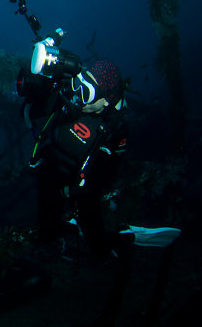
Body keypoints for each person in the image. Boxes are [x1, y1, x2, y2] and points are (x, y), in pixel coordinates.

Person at [18, 58, 179, 257]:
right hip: (53, 170)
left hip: (80, 186)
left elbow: (104, 176)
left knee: (98, 246)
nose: (78, 96)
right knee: (47, 232)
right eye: (79, 85)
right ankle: (68, 230)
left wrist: (73, 191)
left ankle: (129, 235)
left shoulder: (115, 130)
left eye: (86, 92)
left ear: (106, 99)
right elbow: (31, 111)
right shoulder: (72, 100)